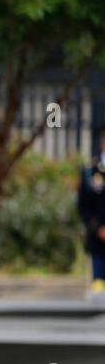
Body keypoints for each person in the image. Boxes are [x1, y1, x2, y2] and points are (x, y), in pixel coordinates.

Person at [75, 127, 105, 298]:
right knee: (99, 290)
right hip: (98, 241)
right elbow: (83, 206)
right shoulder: (90, 173)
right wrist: (99, 228)